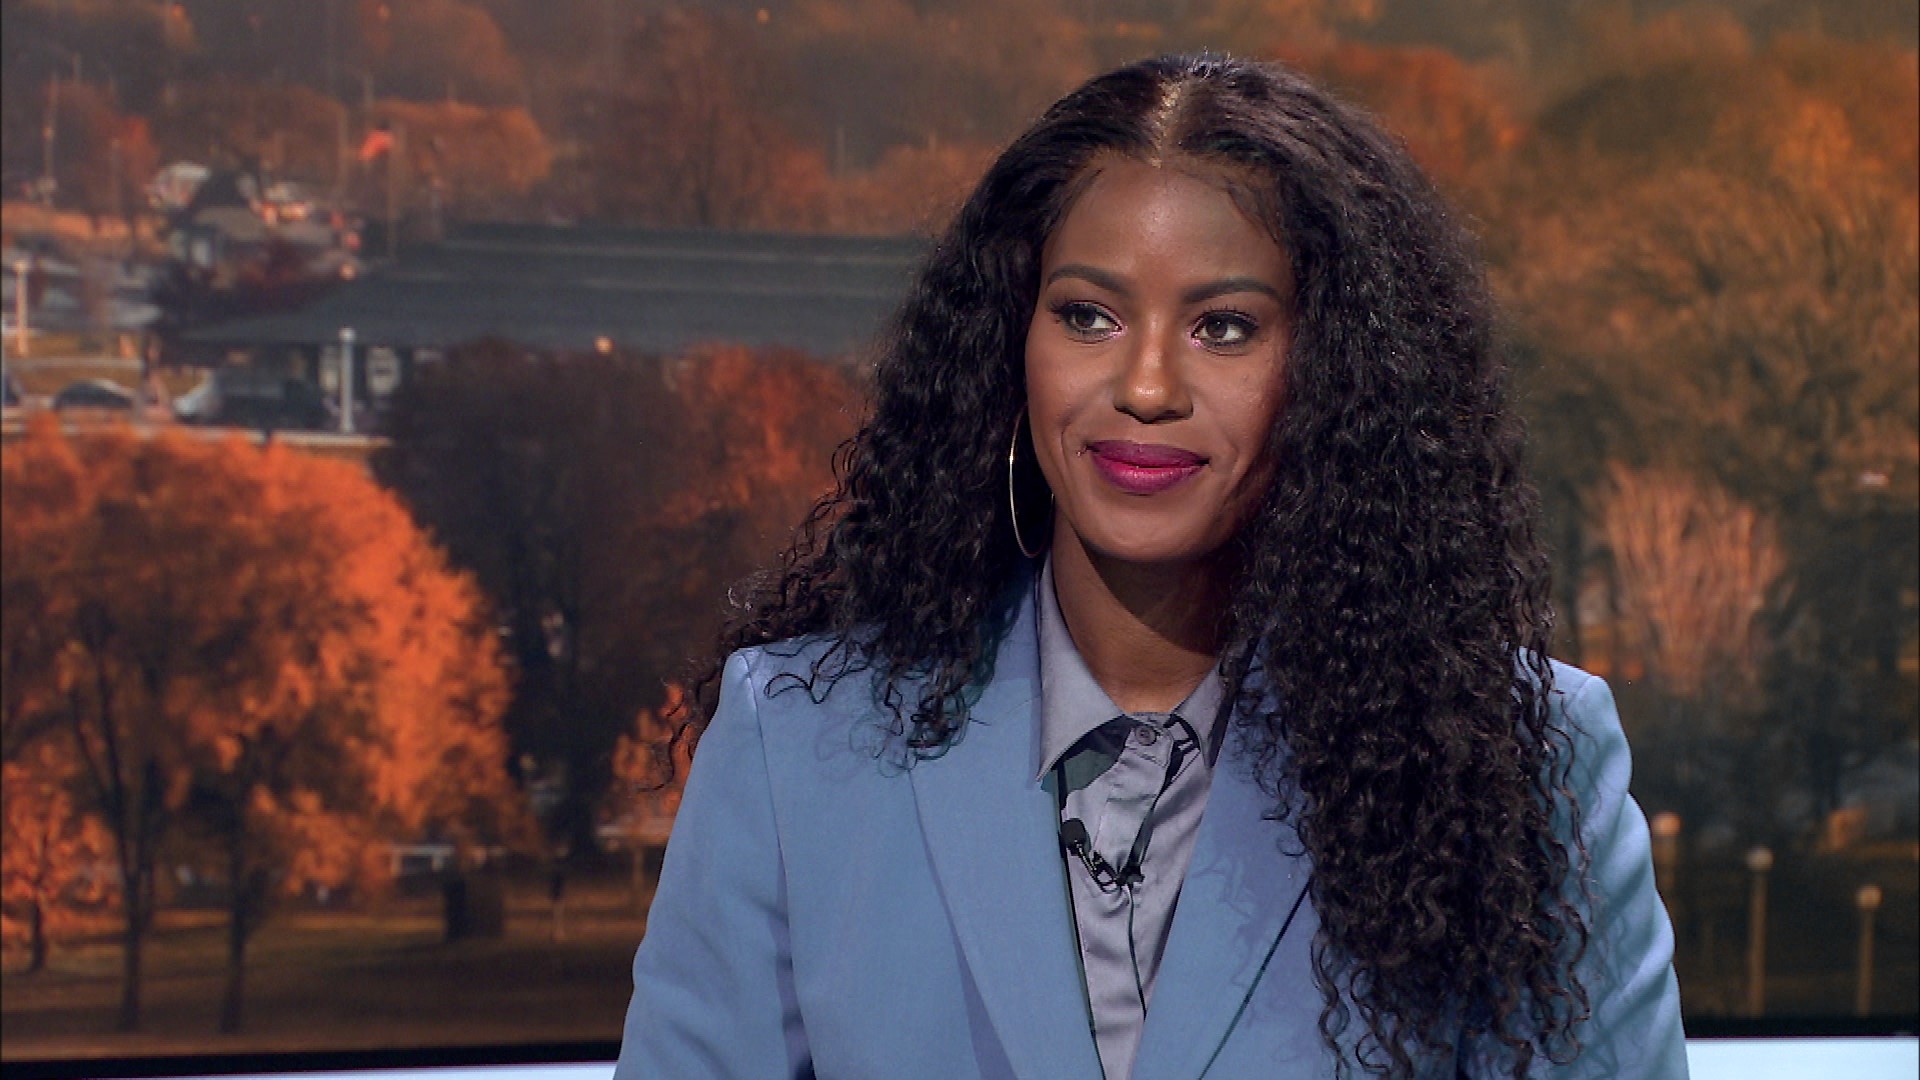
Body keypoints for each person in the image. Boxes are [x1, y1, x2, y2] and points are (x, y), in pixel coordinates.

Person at [615, 54, 1687, 1079]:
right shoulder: (795, 748)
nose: (1145, 386)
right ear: (1009, 344)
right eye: (1088, 316)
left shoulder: (1514, 762)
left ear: (1339, 374)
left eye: (1224, 328)